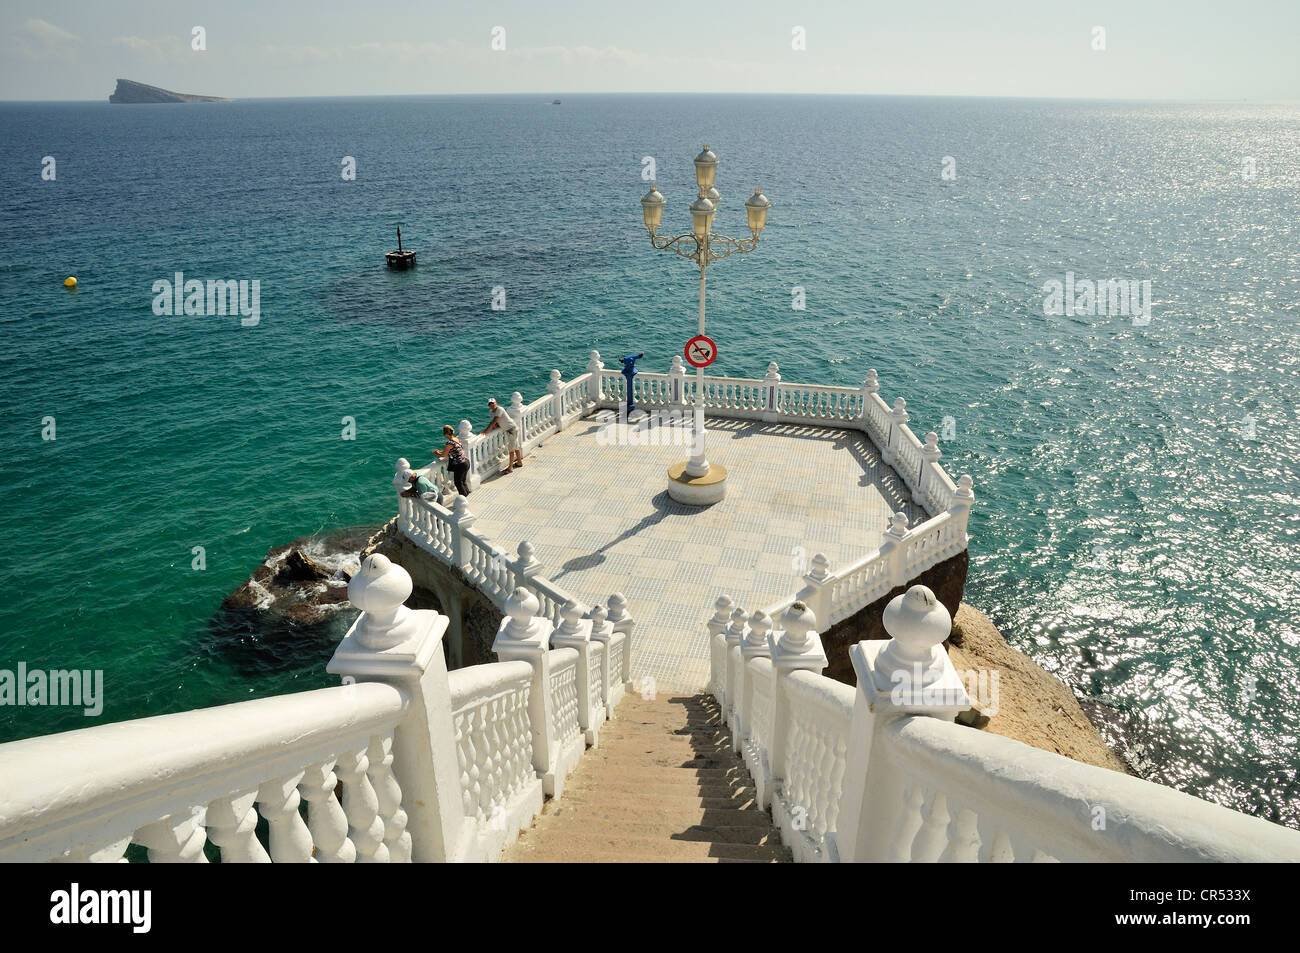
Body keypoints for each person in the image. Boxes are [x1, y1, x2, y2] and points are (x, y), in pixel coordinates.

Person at [483, 397, 522, 473]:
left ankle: (510, 467)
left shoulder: (499, 409)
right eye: (490, 404)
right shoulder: (491, 412)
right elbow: (496, 423)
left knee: (511, 449)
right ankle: (519, 462)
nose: (492, 405)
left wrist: (485, 431)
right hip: (510, 430)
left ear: (496, 403)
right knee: (516, 447)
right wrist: (493, 427)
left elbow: (494, 421)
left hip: (512, 430)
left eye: (493, 403)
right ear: (488, 406)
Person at [433, 424, 471, 496]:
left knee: (458, 483)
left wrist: (436, 453)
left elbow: (444, 454)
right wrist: (440, 452)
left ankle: (463, 499)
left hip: (460, 465)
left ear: (445, 434)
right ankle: (466, 496)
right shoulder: (456, 439)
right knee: (463, 481)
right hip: (465, 462)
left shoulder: (449, 443)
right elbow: (450, 451)